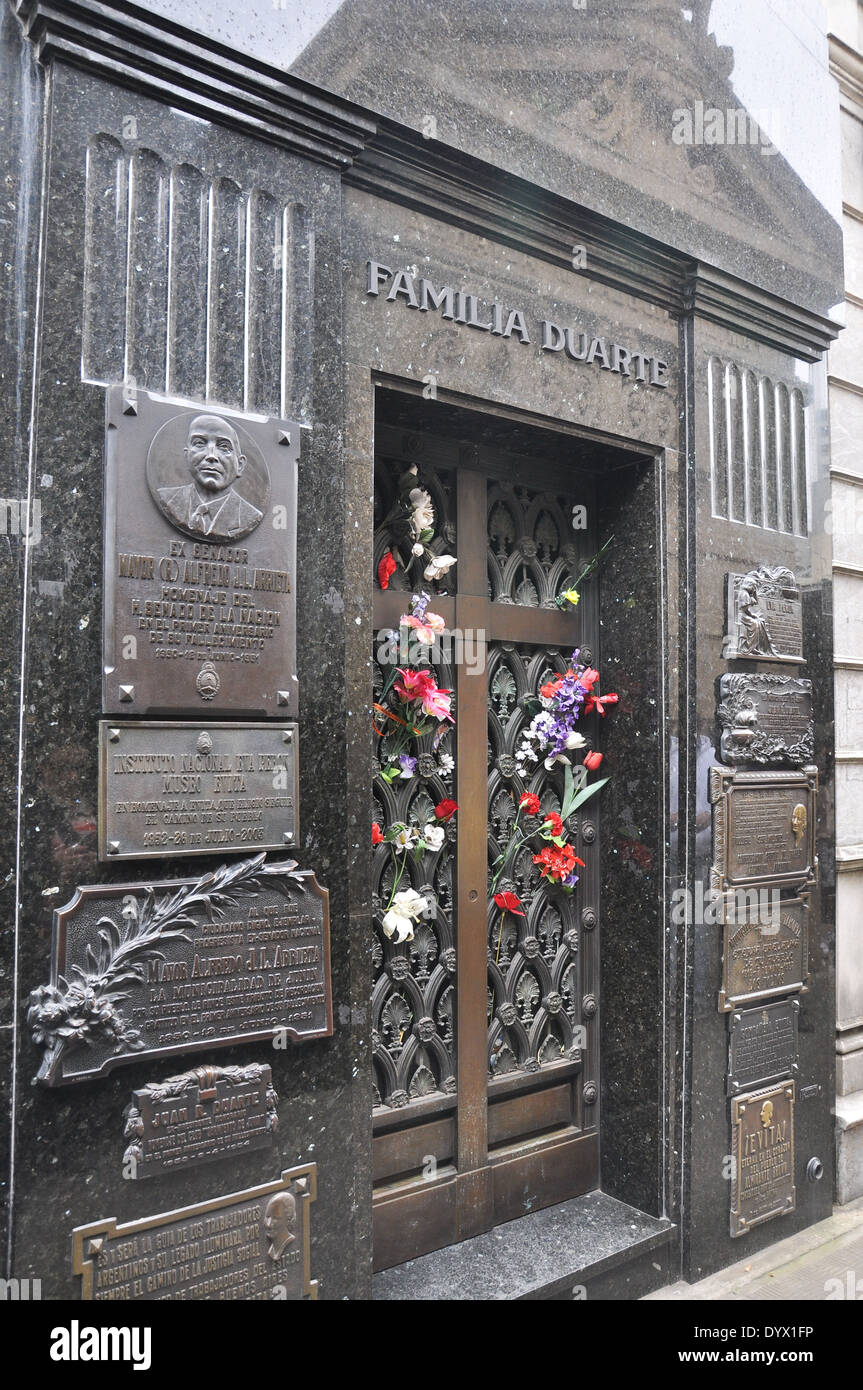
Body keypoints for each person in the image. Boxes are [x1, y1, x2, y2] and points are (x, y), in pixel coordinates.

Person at [157, 413, 263, 540]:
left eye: (224, 447)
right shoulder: (165, 499)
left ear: (240, 465)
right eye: (200, 443)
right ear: (186, 456)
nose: (211, 455)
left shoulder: (250, 516)